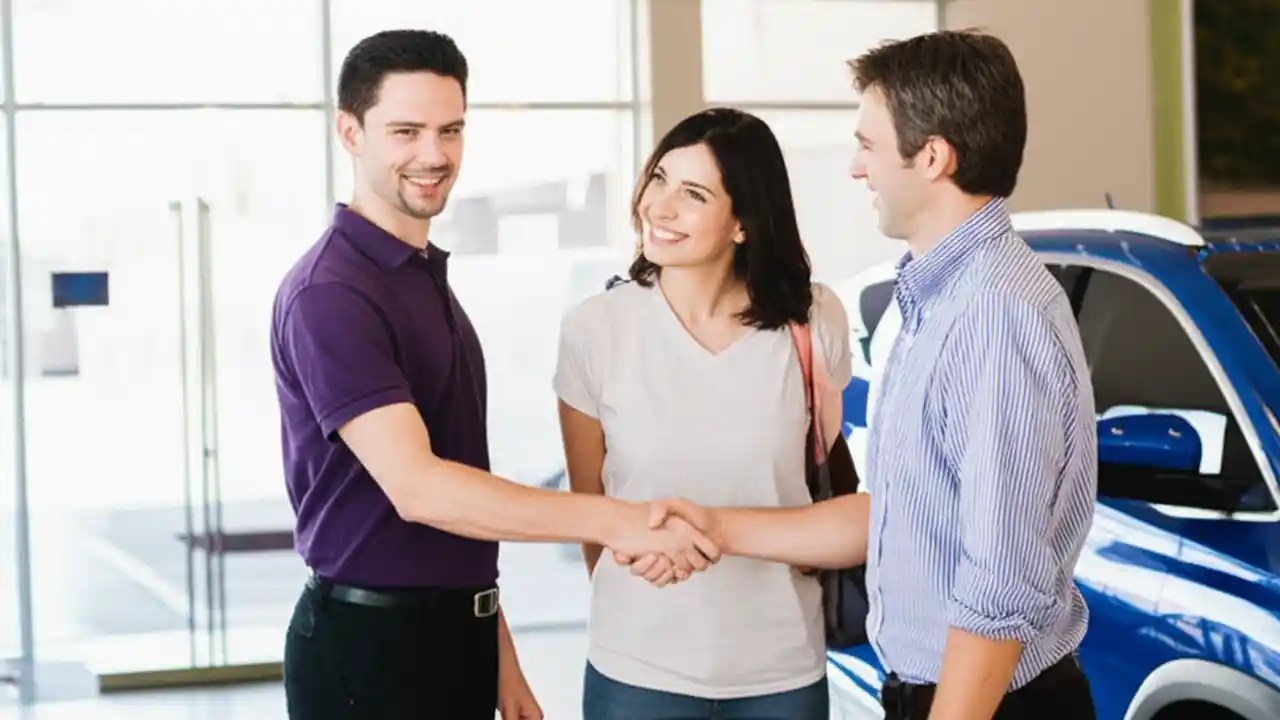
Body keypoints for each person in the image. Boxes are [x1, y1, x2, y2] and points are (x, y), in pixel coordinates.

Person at [644, 31, 1099, 720]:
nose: (858, 170)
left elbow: (1001, 583)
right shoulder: (931, 303)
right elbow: (897, 514)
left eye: (868, 146)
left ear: (933, 157)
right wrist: (714, 526)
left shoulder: (995, 315)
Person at [270, 29, 719, 720]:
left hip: (453, 634)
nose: (434, 154)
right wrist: (621, 521)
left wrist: (495, 644)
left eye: (451, 129)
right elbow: (419, 489)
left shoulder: (416, 274)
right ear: (350, 131)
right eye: (406, 131)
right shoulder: (333, 293)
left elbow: (455, 493)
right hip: (372, 650)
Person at [554, 107, 852, 720]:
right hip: (636, 670)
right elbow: (593, 515)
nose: (658, 207)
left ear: (743, 221)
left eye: (692, 193)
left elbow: (823, 490)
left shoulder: (813, 321)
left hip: (783, 670)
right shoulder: (596, 328)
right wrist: (636, 616)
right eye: (658, 179)